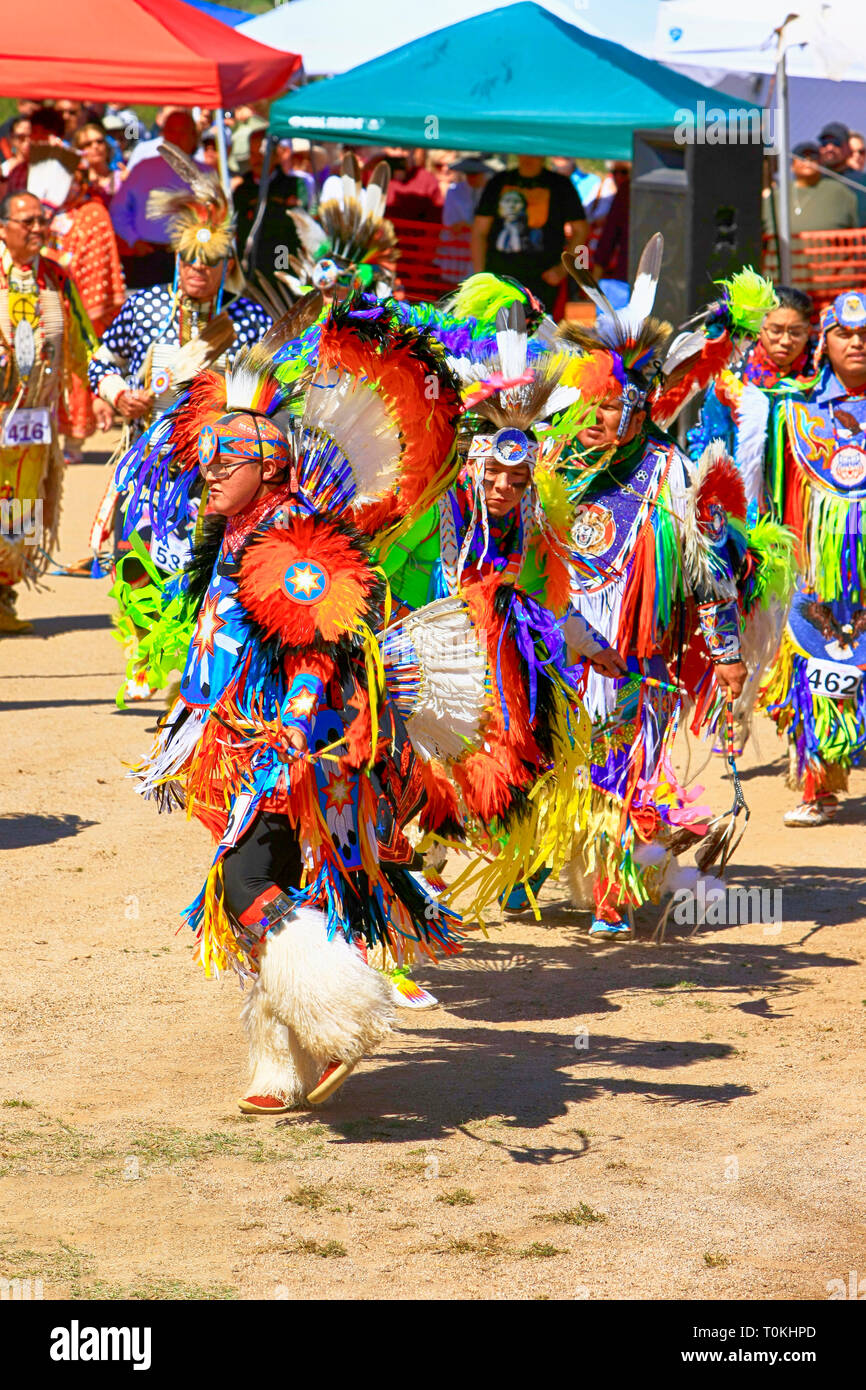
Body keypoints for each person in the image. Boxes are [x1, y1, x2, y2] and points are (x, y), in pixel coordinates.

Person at [130, 292, 465, 1112]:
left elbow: (315, 644)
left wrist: (289, 723)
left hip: (286, 752)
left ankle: (342, 1004)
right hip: (235, 741)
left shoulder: (289, 540)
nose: (208, 472)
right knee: (266, 888)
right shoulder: (242, 531)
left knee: (246, 886)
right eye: (205, 461)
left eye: (225, 462)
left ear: (269, 470)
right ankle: (282, 1060)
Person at [553, 241, 778, 937]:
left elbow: (705, 571)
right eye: (589, 408)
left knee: (623, 768)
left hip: (636, 649)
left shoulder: (670, 471)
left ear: (639, 408)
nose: (597, 422)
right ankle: (545, 864)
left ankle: (610, 891)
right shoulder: (551, 464)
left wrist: (726, 652)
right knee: (556, 765)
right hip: (556, 646)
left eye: (611, 409)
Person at [89, 144, 271, 695]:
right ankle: (143, 652)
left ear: (226, 266)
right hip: (151, 460)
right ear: (176, 259)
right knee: (139, 555)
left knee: (205, 558)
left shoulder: (247, 317)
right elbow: (103, 357)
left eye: (210, 261)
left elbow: (275, 386)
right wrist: (120, 394)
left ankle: (194, 659)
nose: (198, 270)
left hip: (216, 466)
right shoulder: (145, 307)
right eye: (190, 260)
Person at [759, 290, 866, 825]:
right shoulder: (795, 408)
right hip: (819, 570)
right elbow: (780, 497)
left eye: (865, 335)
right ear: (824, 342)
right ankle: (818, 787)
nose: (857, 343)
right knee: (818, 666)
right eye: (845, 334)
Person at [0, 191, 101, 632]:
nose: (38, 229)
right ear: (4, 228)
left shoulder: (56, 279)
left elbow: (82, 342)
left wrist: (99, 389)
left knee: (19, 511)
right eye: (28, 222)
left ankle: (3, 596)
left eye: (43, 220)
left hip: (31, 425)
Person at [38, 149, 125, 459]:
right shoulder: (44, 212)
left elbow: (98, 259)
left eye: (75, 179)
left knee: (77, 365)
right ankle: (41, 438)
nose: (70, 185)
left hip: (78, 300)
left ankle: (74, 438)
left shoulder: (94, 212)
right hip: (44, 297)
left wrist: (62, 266)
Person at [472, 155, 588, 313]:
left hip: (542, 282)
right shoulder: (499, 181)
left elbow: (581, 230)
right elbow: (479, 231)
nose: (528, 157)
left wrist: (562, 269)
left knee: (537, 334)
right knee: (494, 333)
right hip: (499, 279)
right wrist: (480, 277)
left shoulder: (560, 185)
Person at [110, 110, 207, 289]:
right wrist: (134, 240)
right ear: (163, 136)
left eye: (183, 132)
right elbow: (118, 210)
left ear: (194, 136)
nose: (177, 138)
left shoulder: (206, 174)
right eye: (172, 131)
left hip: (190, 259)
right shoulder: (143, 169)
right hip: (147, 257)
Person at [234, 127, 303, 281]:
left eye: (261, 154)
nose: (256, 160)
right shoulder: (242, 189)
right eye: (252, 154)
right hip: (250, 261)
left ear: (275, 155)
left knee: (280, 289)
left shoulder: (292, 185)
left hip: (281, 252)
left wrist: (284, 268)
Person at [763, 140, 859, 237]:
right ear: (792, 166)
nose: (808, 160)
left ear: (821, 163)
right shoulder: (777, 196)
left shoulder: (839, 191)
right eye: (802, 157)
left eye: (813, 157)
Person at [817, 121, 866, 224]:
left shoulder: (862, 181)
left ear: (848, 148)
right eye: (825, 142)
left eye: (836, 142)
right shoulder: (814, 182)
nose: (830, 148)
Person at [74, 123, 125, 201]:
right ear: (79, 150)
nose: (95, 146)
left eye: (99, 141)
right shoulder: (76, 182)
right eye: (88, 144)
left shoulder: (122, 178)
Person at [0, 116, 32, 199]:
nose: (27, 141)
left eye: (31, 136)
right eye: (21, 137)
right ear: (11, 137)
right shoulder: (4, 169)